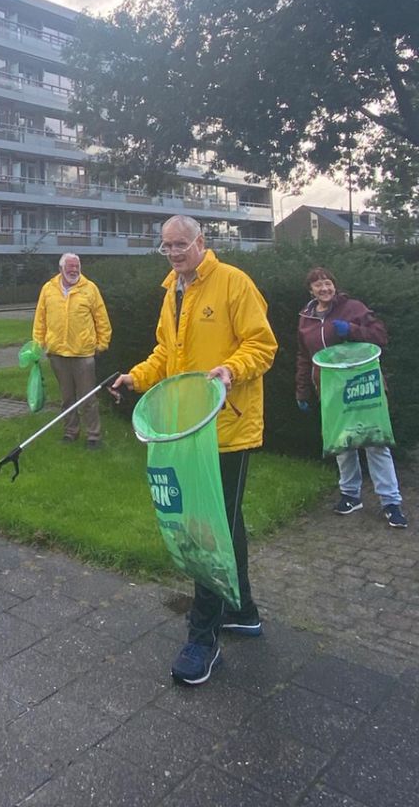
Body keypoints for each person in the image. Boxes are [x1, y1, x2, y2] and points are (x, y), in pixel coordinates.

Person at [111, 216, 277, 687]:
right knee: (226, 521)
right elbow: (167, 352)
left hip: (227, 428)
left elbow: (263, 345)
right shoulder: (173, 292)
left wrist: (231, 369)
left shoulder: (234, 283)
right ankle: (243, 611)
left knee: (208, 528)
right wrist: (137, 377)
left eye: (181, 244)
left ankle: (202, 640)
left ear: (202, 242)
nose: (174, 253)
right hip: (190, 429)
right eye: (166, 247)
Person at [296, 266, 407, 528]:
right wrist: (302, 390)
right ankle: (350, 495)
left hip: (362, 385)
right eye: (318, 285)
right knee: (342, 443)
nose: (324, 288)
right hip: (331, 390)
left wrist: (354, 330)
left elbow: (381, 336)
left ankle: (391, 502)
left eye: (328, 283)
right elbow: (303, 356)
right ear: (310, 290)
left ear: (335, 285)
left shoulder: (353, 308)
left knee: (374, 442)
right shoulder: (305, 318)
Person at [33, 253, 112, 448]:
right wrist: (37, 344)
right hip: (57, 353)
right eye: (70, 267)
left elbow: (102, 318)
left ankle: (93, 436)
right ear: (61, 268)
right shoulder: (48, 289)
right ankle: (70, 432)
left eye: (77, 267)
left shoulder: (90, 288)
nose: (74, 270)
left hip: (83, 353)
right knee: (67, 398)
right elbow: (40, 319)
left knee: (88, 398)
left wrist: (102, 343)